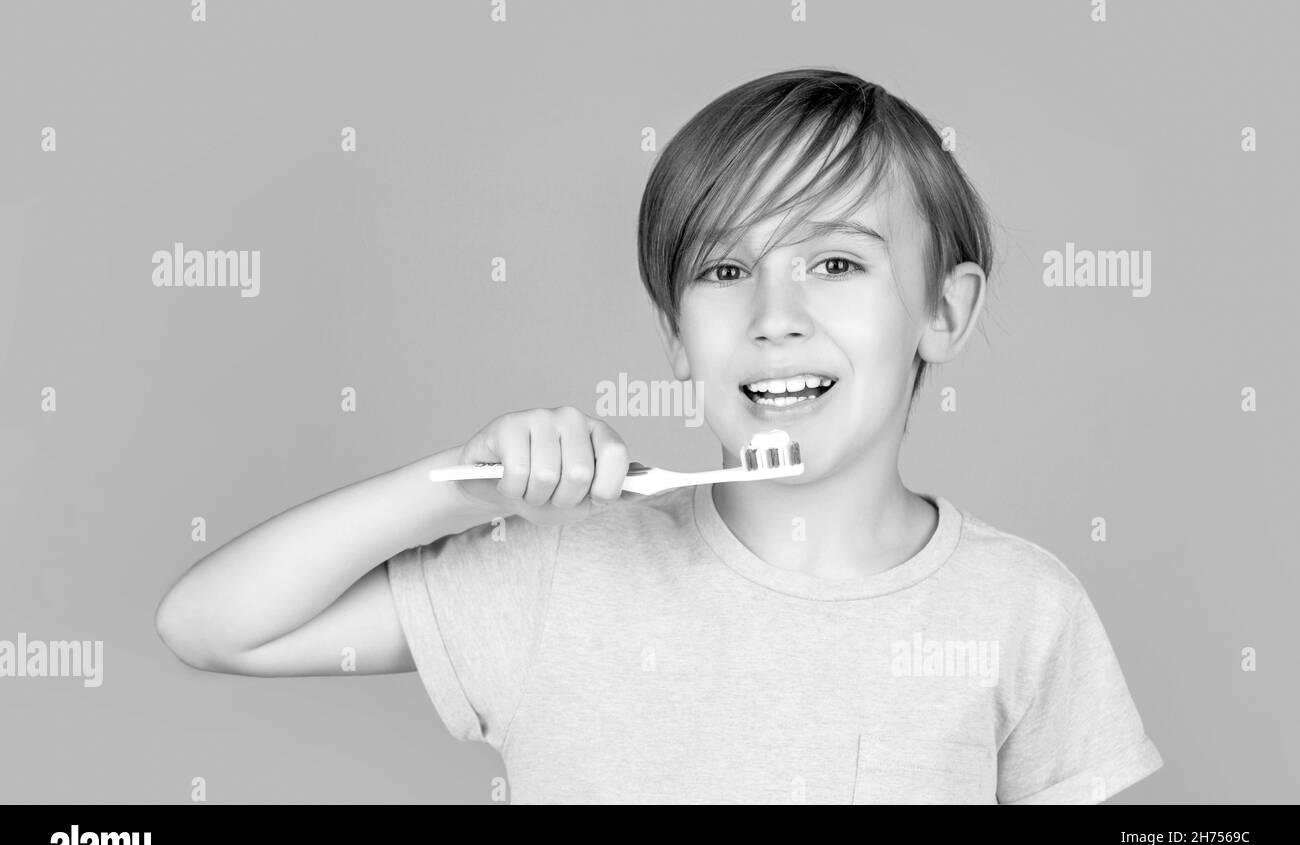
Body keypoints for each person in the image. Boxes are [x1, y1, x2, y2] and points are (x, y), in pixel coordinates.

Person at [155, 69, 1163, 804]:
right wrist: (461, 482)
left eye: (836, 264)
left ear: (943, 312)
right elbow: (211, 625)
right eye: (724, 272)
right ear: (678, 339)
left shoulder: (1023, 606)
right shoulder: (558, 571)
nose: (775, 312)